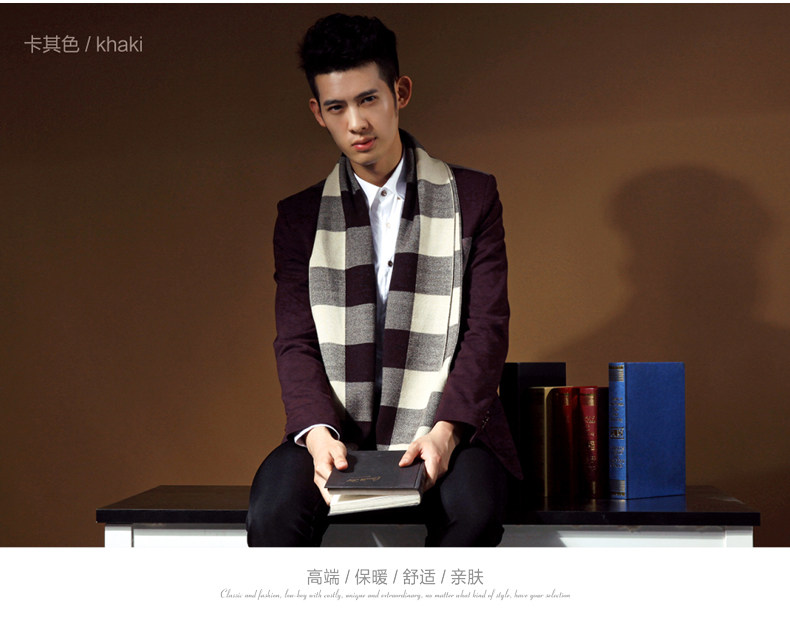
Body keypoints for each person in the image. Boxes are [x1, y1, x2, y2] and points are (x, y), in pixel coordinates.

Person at [246, 13, 520, 547]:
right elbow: (296, 342)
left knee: (476, 509)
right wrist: (317, 434)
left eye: (368, 99)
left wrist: (446, 433)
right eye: (336, 107)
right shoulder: (300, 218)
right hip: (338, 429)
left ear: (401, 92)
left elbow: (486, 330)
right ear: (318, 113)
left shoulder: (472, 198)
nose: (356, 123)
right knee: (273, 511)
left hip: (446, 423)